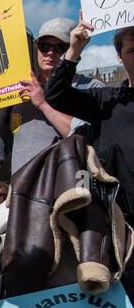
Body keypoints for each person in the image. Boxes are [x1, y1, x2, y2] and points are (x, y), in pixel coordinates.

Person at [0, 19, 93, 175]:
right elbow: (0, 150)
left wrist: (43, 104)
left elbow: (87, 138)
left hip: (69, 192)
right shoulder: (17, 91)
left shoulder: (90, 88)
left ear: (75, 48)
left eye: (61, 47)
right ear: (36, 49)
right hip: (23, 194)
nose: (50, 52)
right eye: (44, 46)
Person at [46, 23, 134, 220]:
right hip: (121, 217)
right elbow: (55, 95)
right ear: (120, 57)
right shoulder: (105, 100)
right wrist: (74, 49)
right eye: (132, 50)